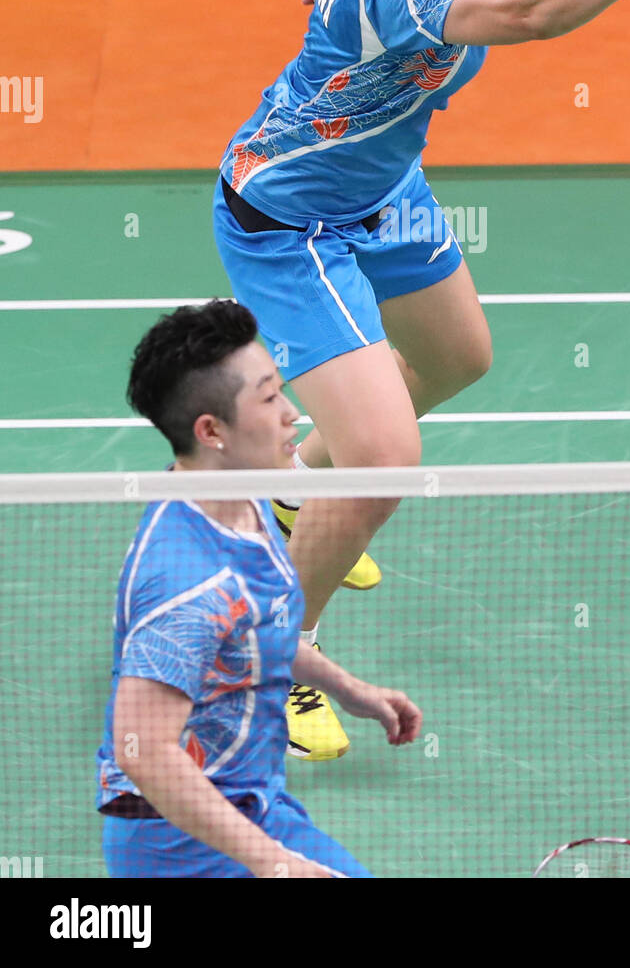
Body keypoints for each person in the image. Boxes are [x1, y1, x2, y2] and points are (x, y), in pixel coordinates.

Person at [212, 0, 630, 759]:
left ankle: (303, 483)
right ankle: (266, 661)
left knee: (456, 355)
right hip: (289, 214)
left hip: (383, 185)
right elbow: (522, 17)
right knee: (385, 457)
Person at [95, 300, 421, 878]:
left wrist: (348, 689)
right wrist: (275, 865)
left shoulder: (243, 499)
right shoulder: (183, 584)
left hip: (254, 799)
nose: (292, 413)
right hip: (176, 843)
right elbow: (142, 754)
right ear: (211, 431)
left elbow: (250, 626)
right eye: (269, 398)